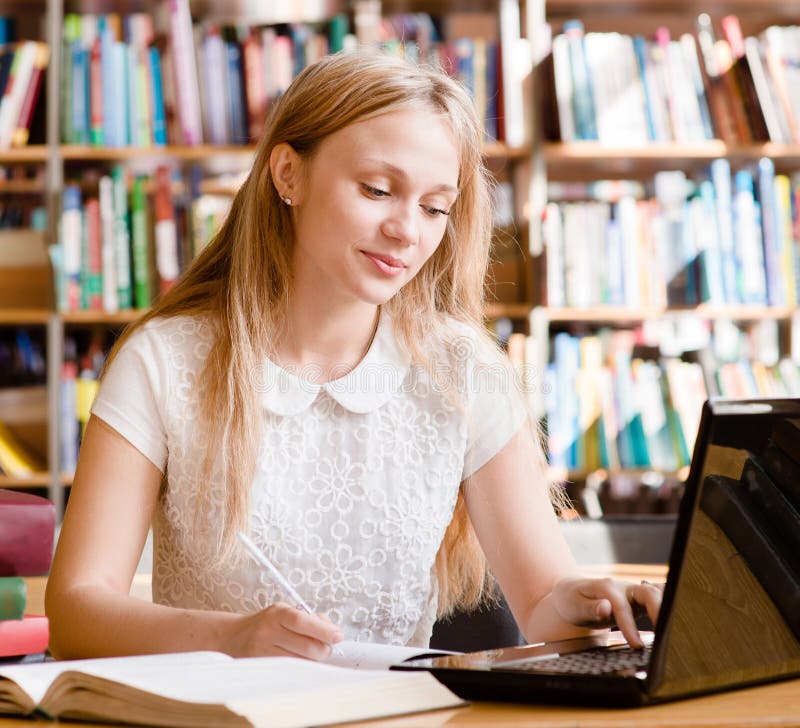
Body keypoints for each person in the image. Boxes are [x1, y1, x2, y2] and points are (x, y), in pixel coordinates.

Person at [46, 50, 662, 661]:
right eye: (377, 189)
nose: (407, 230)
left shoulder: (464, 371)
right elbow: (75, 610)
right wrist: (228, 639)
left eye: (434, 207)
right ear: (288, 174)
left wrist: (591, 598)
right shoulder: (163, 362)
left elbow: (544, 600)